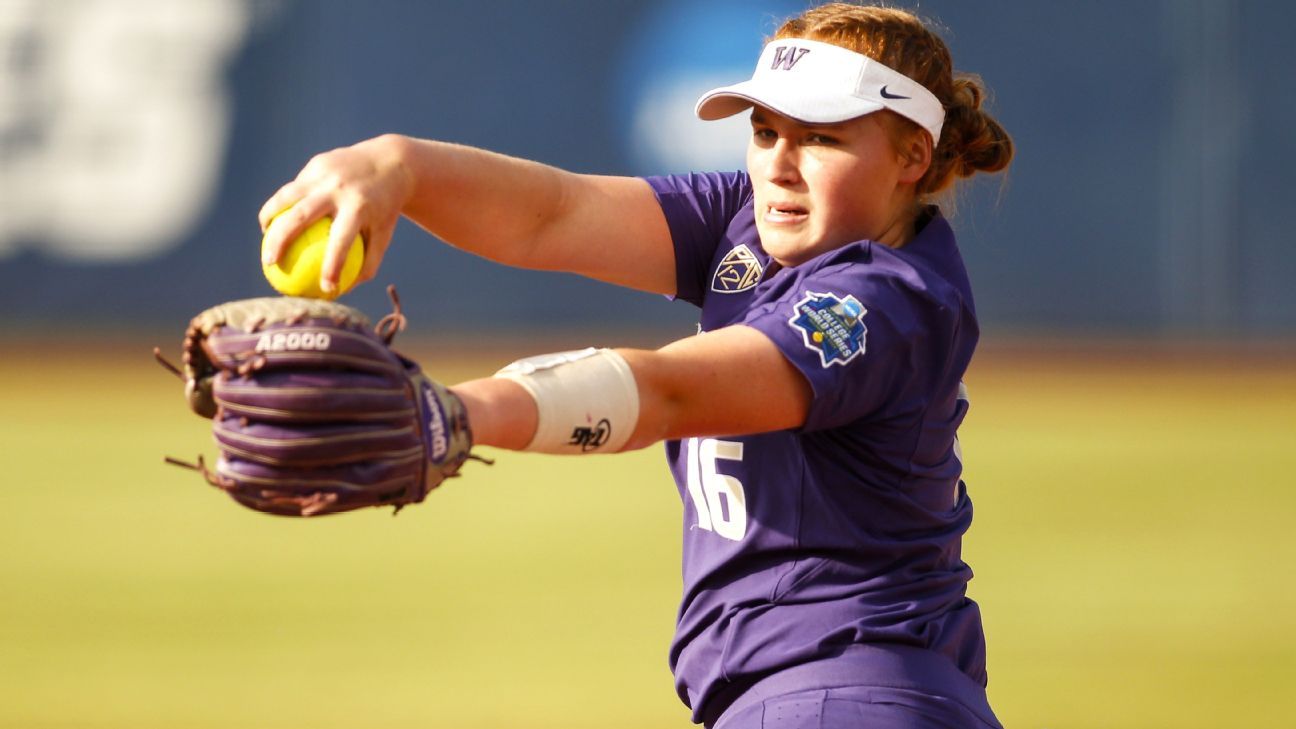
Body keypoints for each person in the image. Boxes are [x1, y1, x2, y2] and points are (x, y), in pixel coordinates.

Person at [259, 3, 1013, 726]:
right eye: (765, 129)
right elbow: (553, 215)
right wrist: (396, 164)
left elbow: (672, 390)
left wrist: (454, 414)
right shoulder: (746, 222)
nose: (779, 164)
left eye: (820, 137)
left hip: (843, 691)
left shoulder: (890, 301)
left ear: (914, 153)